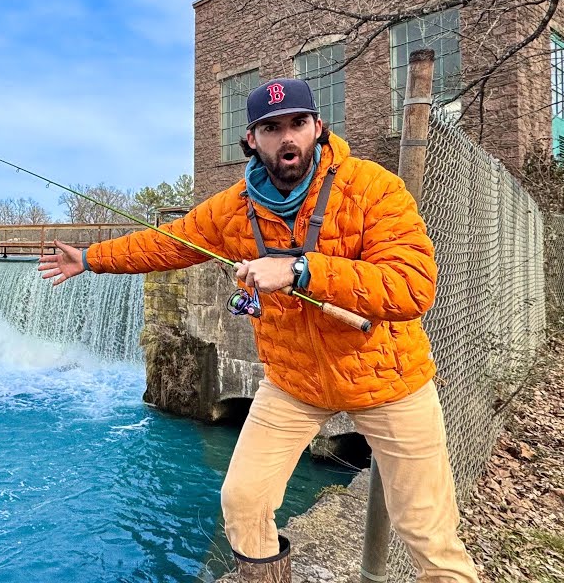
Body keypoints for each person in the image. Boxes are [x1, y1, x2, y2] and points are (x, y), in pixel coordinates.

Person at [38, 78, 479, 582]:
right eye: (271, 128)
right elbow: (168, 243)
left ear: (318, 126)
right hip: (294, 382)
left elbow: (413, 287)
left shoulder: (373, 188)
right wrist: (89, 259)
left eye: (298, 123)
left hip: (389, 380)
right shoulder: (233, 208)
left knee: (427, 532)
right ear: (251, 139)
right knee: (243, 502)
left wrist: (300, 270)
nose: (287, 137)